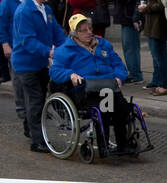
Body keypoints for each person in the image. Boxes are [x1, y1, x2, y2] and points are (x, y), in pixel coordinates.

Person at [50, 14, 136, 155]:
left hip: (109, 85)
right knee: (102, 109)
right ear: (74, 34)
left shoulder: (103, 45)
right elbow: (55, 71)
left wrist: (119, 77)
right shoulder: (65, 50)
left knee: (123, 108)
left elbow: (118, 65)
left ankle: (123, 144)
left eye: (90, 28)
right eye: (83, 30)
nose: (89, 32)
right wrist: (70, 74)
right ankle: (104, 146)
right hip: (87, 89)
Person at [12, 0, 66, 150]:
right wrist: (49, 52)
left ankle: (30, 127)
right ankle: (37, 141)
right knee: (35, 100)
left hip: (40, 62)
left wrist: (68, 47)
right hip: (26, 63)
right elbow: (27, 41)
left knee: (39, 98)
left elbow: (56, 32)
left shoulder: (46, 9)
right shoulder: (24, 12)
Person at [0, 0, 30, 124]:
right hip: (15, 47)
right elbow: (0, 25)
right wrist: (5, 44)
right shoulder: (7, 3)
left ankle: (35, 109)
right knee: (18, 80)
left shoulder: (30, 0)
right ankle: (22, 110)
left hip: (31, 47)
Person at [106, 0, 144, 84]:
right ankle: (133, 72)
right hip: (126, 15)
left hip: (129, 16)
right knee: (128, 46)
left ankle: (135, 74)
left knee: (130, 46)